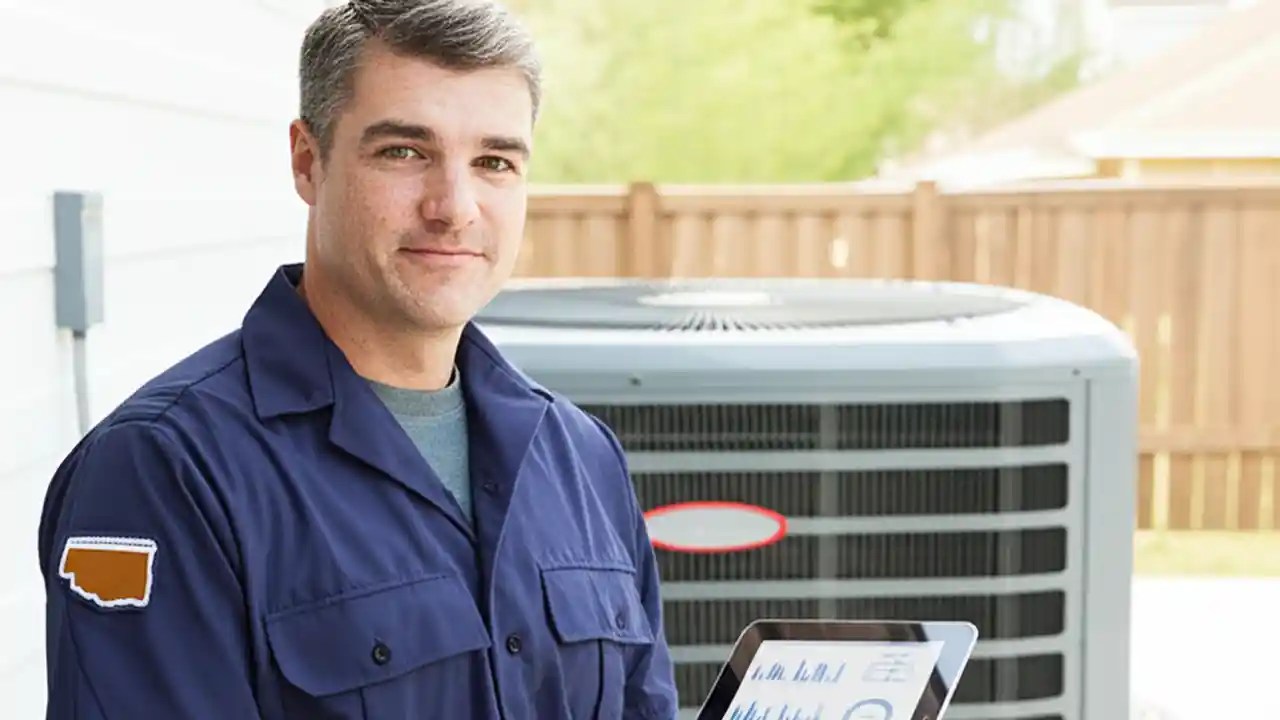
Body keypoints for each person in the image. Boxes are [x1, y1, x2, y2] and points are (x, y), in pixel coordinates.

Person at [36, 1, 678, 718]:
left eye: (494, 162)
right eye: (405, 152)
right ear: (308, 162)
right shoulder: (166, 470)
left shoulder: (582, 459)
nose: (454, 206)